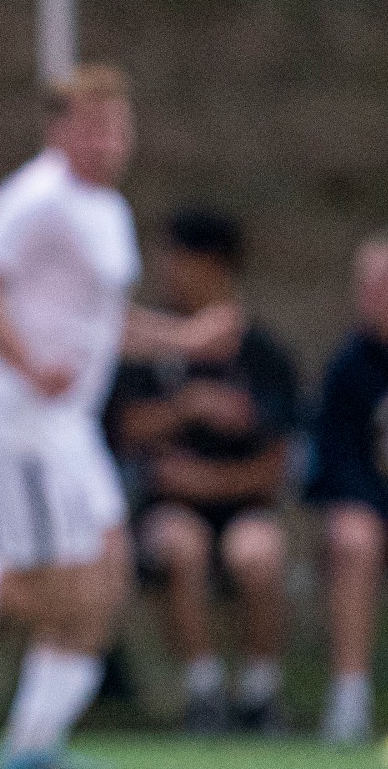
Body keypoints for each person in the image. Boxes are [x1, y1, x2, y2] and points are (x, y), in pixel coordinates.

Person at [0, 65, 240, 769]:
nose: (107, 140)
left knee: (106, 579)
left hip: (66, 427)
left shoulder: (105, 207)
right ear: (59, 131)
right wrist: (27, 363)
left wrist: (184, 341)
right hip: (18, 424)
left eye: (116, 126)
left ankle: (35, 744)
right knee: (59, 590)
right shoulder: (37, 197)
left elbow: (101, 324)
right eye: (90, 126)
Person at [107, 208, 299, 734]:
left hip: (243, 506)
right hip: (169, 509)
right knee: (179, 543)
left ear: (212, 264)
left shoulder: (262, 352)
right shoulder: (158, 347)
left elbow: (277, 462)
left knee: (257, 551)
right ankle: (204, 691)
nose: (166, 267)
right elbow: (125, 428)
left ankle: (261, 694)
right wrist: (189, 406)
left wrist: (209, 481)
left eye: (177, 256)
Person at [305, 235, 388, 745]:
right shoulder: (347, 368)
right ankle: (350, 699)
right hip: (369, 506)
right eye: (371, 288)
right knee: (355, 538)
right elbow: (333, 466)